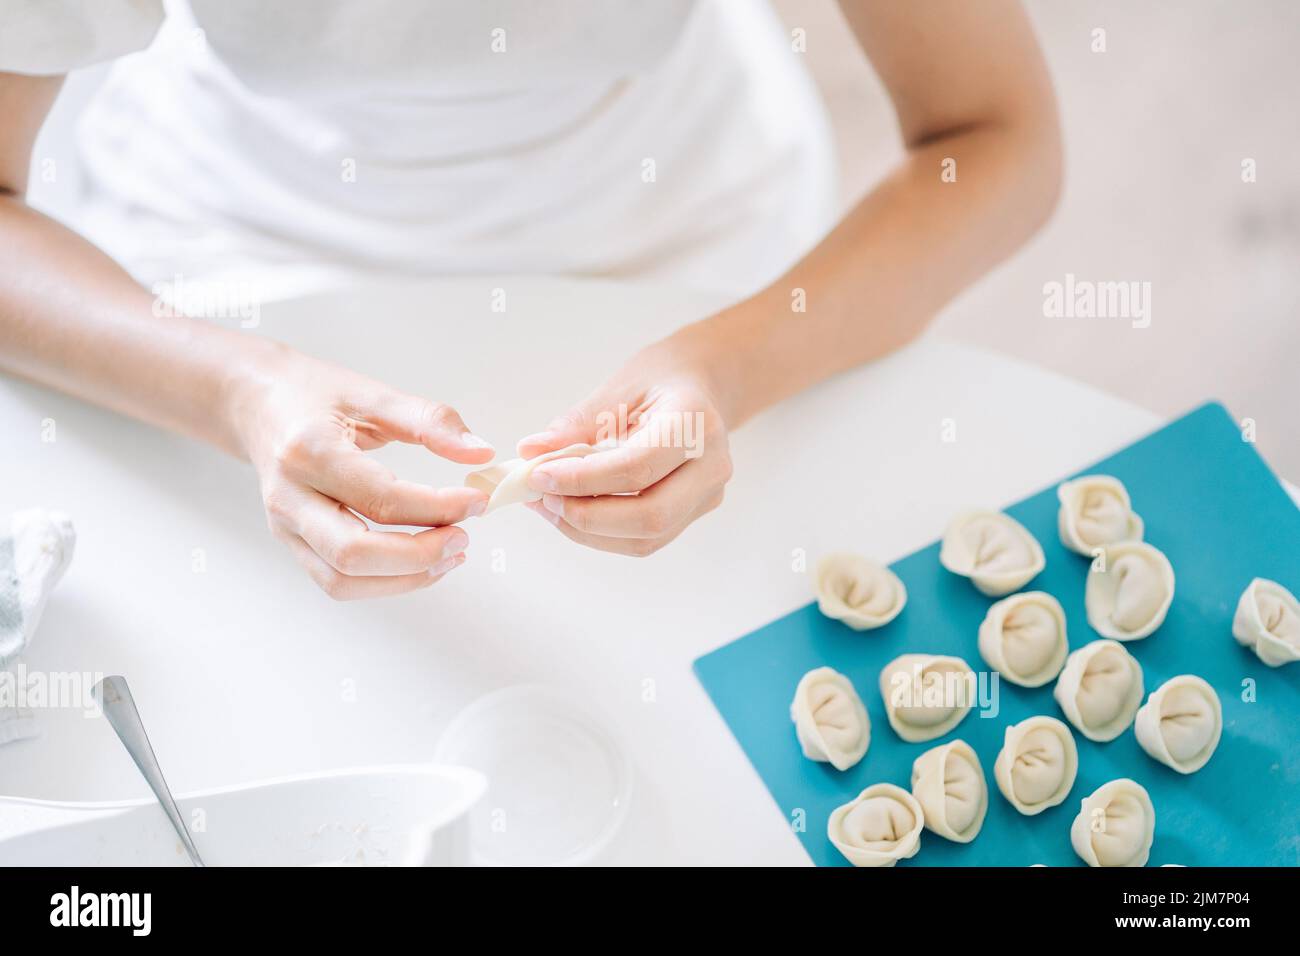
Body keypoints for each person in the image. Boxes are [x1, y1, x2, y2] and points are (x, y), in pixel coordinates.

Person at [0, 1, 1061, 600]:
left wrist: (728, 364)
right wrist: (239, 386)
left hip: (679, 228)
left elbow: (996, 139)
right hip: (221, 249)